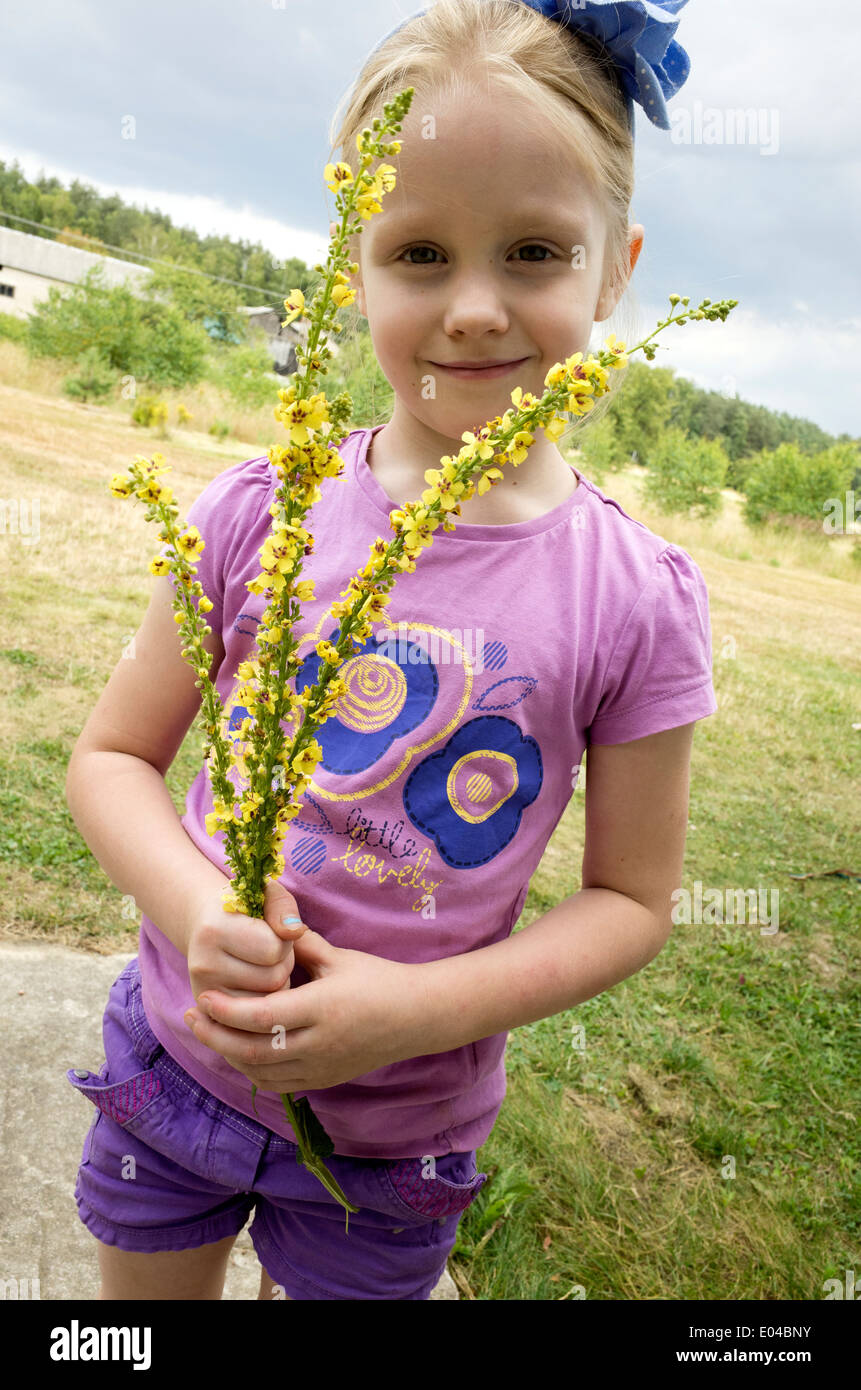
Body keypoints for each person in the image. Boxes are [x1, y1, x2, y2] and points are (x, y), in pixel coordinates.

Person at [65, 0, 713, 1301]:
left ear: (615, 268)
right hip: (173, 1067)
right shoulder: (262, 509)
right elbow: (112, 759)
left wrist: (413, 1010)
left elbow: (631, 903)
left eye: (532, 250)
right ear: (351, 262)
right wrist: (201, 908)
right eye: (418, 252)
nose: (474, 309)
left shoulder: (636, 597)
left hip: (395, 1144)